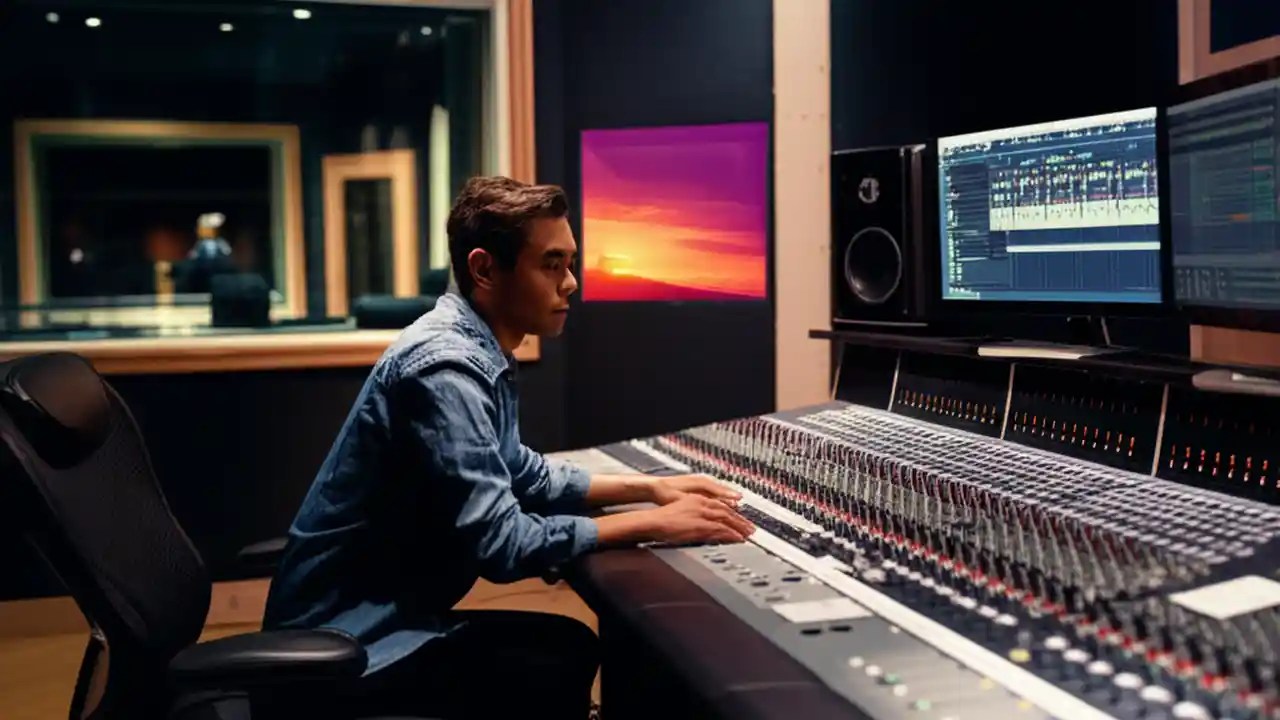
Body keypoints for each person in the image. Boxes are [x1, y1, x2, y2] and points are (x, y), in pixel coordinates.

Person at [263, 176, 755, 719]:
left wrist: (652, 488)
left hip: (375, 622)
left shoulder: (479, 345)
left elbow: (521, 471)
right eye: (551, 264)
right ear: (485, 269)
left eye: (570, 263)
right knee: (554, 660)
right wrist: (654, 524)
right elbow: (503, 543)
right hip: (346, 649)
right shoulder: (445, 368)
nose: (570, 283)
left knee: (564, 651)